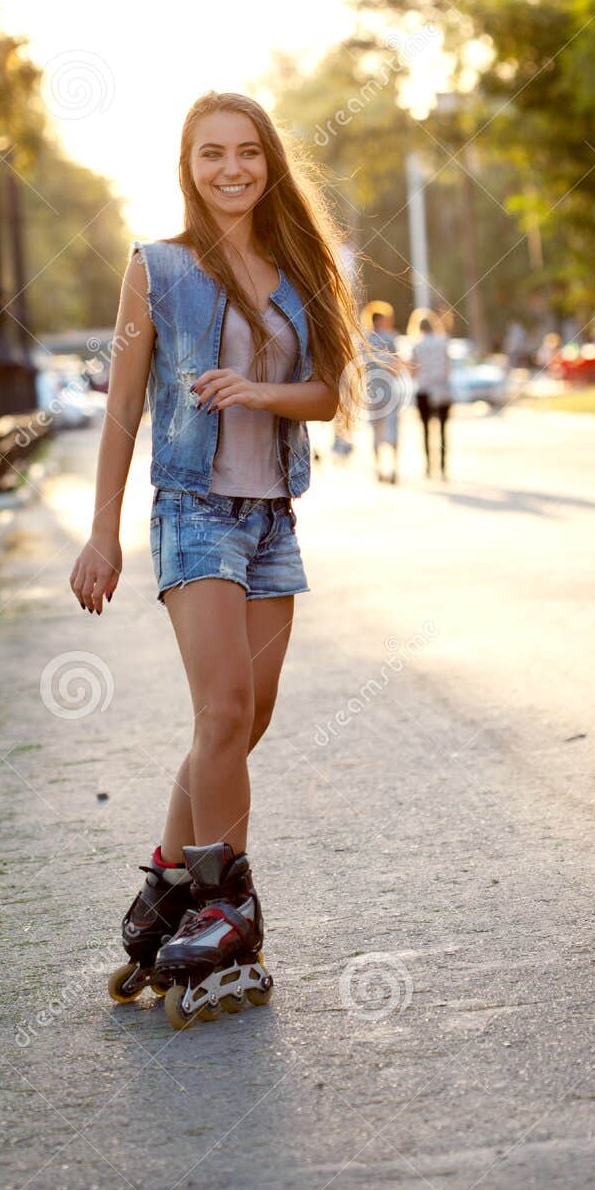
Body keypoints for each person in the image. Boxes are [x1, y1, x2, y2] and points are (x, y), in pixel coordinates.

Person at [69, 91, 360, 1028]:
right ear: (187, 167)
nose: (230, 169)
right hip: (192, 512)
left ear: (268, 162)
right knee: (223, 710)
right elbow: (122, 408)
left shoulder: (298, 267)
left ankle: (165, 879)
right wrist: (101, 531)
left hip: (271, 517)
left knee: (243, 722)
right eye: (210, 155)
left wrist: (258, 391)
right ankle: (222, 907)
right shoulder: (156, 269)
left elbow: (325, 395)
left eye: (246, 153)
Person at [362, 300, 406, 484]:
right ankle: (394, 468)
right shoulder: (390, 338)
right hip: (389, 389)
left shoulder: (364, 339)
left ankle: (378, 468)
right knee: (393, 428)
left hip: (372, 389)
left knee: (375, 430)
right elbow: (398, 364)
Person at [406, 311, 452, 479]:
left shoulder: (416, 344)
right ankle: (443, 467)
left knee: (425, 430)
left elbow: (412, 371)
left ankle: (428, 466)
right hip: (442, 390)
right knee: (442, 431)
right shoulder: (443, 342)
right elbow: (448, 367)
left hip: (424, 390)